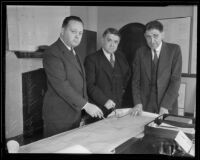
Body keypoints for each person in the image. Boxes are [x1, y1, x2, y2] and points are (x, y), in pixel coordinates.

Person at [42, 16, 103, 138]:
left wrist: (85, 108)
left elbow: (82, 83)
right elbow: (61, 85)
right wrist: (86, 105)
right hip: (59, 117)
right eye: (73, 31)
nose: (77, 36)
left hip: (74, 113)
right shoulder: (52, 52)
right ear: (62, 30)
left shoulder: (75, 52)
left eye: (80, 33)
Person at [130, 20, 182, 116]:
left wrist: (165, 106)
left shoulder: (174, 50)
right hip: (145, 104)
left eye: (155, 36)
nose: (152, 41)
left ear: (162, 35)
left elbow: (175, 80)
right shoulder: (140, 52)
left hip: (167, 103)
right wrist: (137, 102)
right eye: (148, 37)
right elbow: (135, 81)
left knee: (166, 130)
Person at [84, 28, 130, 123]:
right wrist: (104, 100)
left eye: (116, 42)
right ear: (102, 40)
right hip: (99, 110)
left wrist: (122, 91)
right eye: (109, 40)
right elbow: (89, 85)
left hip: (118, 109)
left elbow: (127, 76)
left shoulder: (121, 57)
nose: (112, 44)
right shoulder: (91, 59)